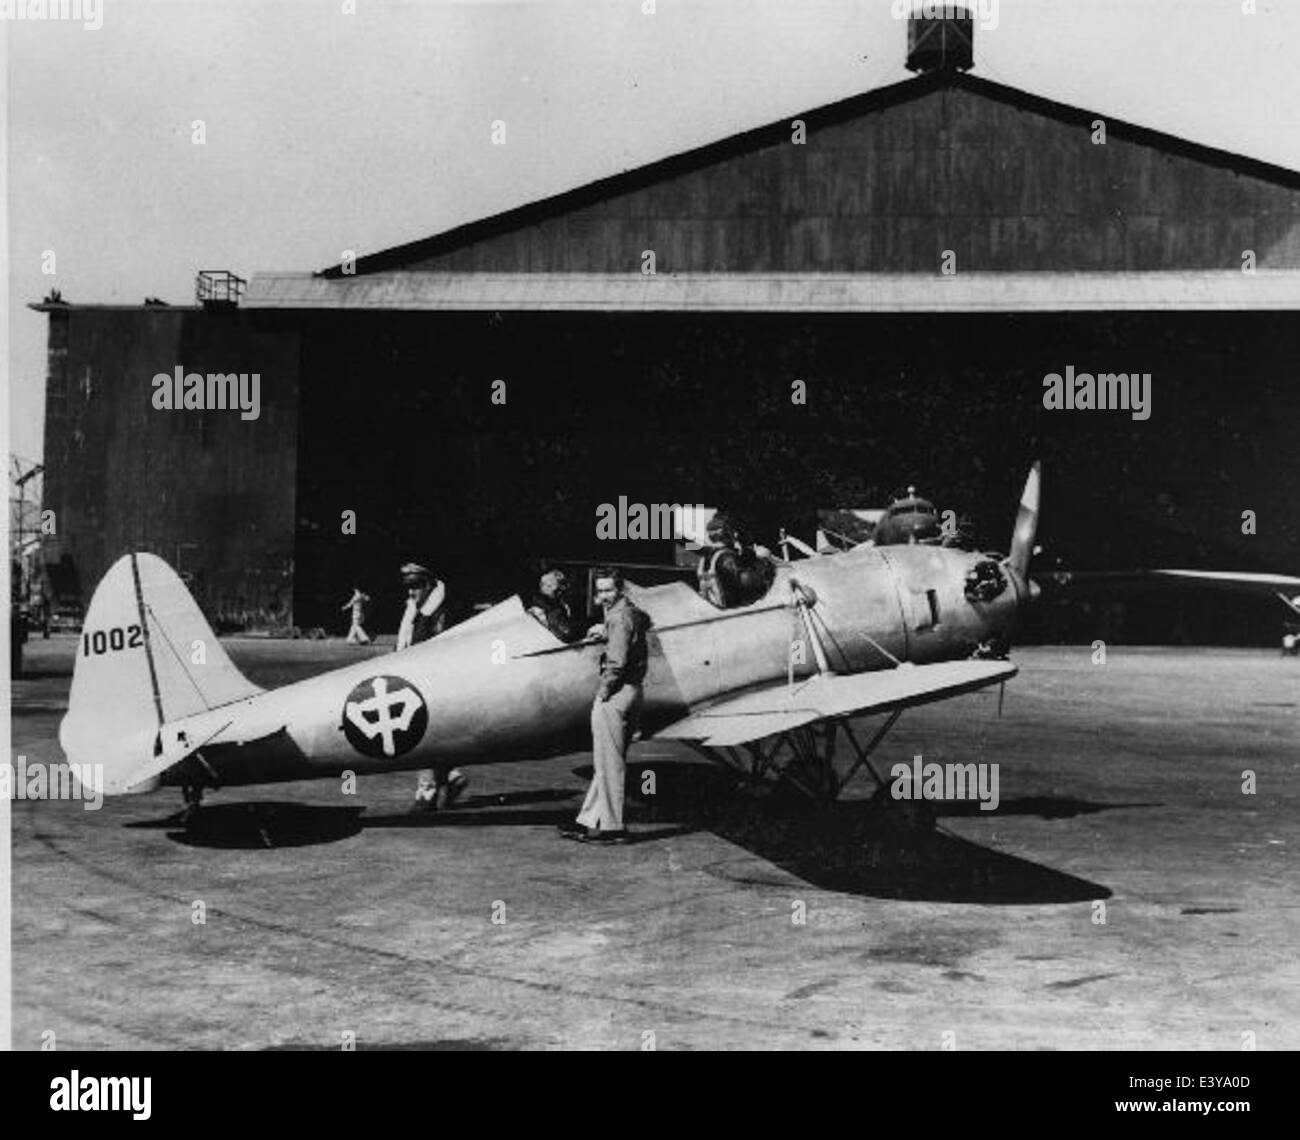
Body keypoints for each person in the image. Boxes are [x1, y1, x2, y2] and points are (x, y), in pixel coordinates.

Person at [560, 568, 651, 844]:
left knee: (609, 764)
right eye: (599, 591)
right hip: (632, 692)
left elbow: (617, 663)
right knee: (606, 761)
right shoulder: (630, 612)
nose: (602, 597)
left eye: (608, 591)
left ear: (620, 589)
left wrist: (602, 693)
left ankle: (612, 828)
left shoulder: (618, 617)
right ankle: (587, 820)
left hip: (616, 695)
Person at [398, 562, 468, 812]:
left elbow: (440, 651)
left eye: (416, 586)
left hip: (433, 686)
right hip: (419, 682)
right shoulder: (417, 610)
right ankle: (451, 776)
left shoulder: (439, 614)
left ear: (428, 585)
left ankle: (426, 792)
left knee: (420, 738)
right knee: (429, 738)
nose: (411, 592)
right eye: (408, 587)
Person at [697, 513, 775, 608]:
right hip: (734, 614)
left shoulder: (707, 557)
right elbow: (749, 588)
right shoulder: (727, 558)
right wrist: (764, 562)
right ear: (732, 534)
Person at [527, 568, 586, 643]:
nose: (562, 590)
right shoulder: (539, 610)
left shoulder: (561, 604)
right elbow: (565, 633)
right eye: (559, 588)